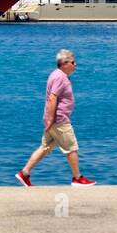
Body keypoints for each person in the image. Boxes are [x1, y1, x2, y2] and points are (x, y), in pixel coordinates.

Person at [16, 49, 95, 187]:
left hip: (53, 120)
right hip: (59, 120)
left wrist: (48, 120)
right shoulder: (60, 77)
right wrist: (52, 119)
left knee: (45, 147)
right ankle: (77, 178)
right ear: (64, 63)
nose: (75, 64)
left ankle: (24, 173)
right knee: (71, 148)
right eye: (73, 62)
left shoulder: (57, 75)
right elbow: (53, 98)